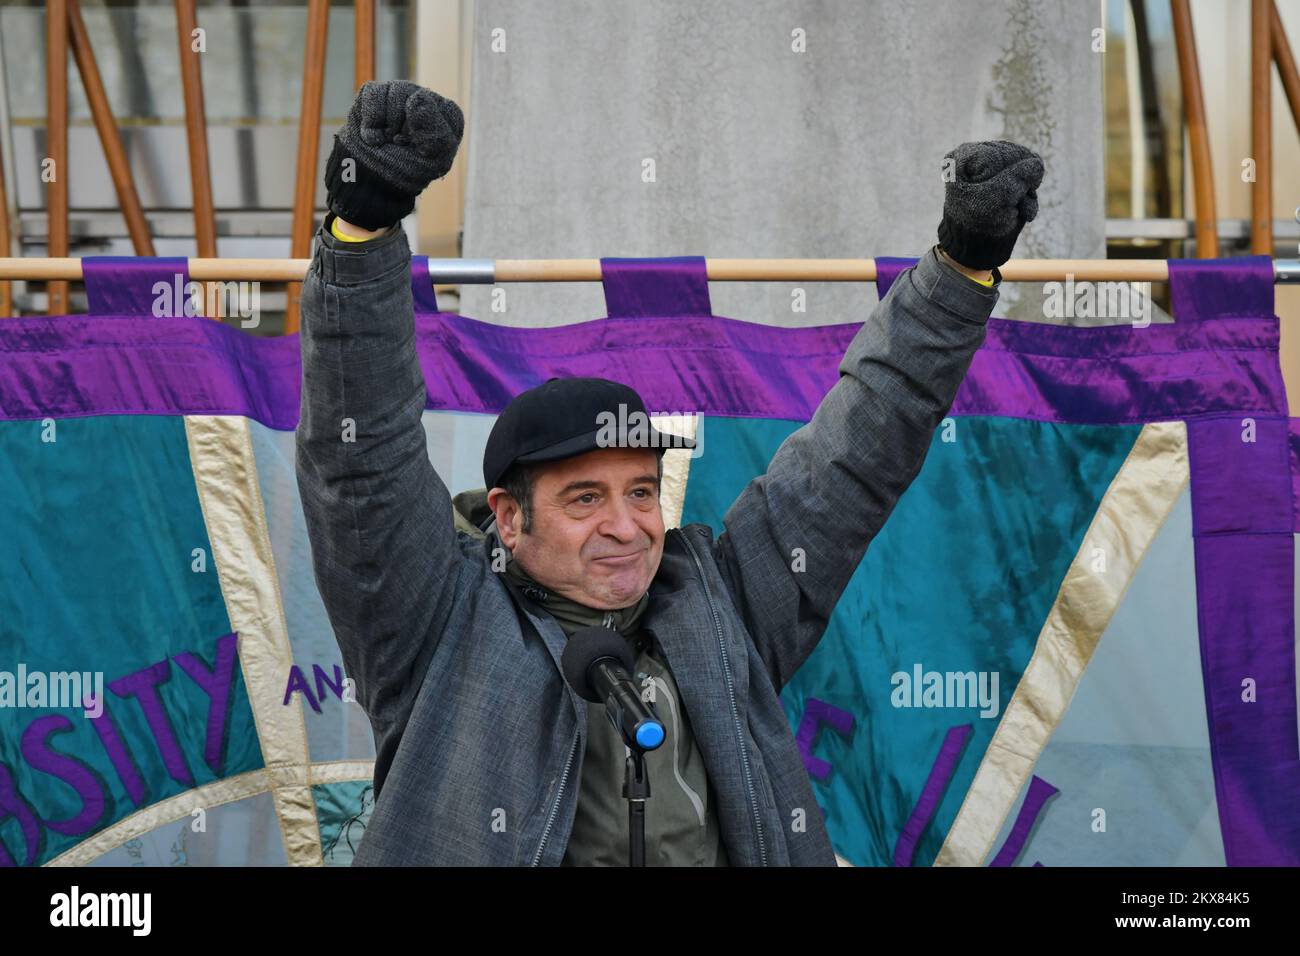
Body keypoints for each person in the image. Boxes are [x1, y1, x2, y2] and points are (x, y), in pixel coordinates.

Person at [296, 80, 1043, 866]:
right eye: (585, 498)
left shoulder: (721, 603)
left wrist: (960, 272)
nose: (627, 525)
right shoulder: (436, 617)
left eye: (642, 491)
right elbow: (359, 458)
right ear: (509, 519)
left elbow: (854, 459)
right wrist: (366, 220)